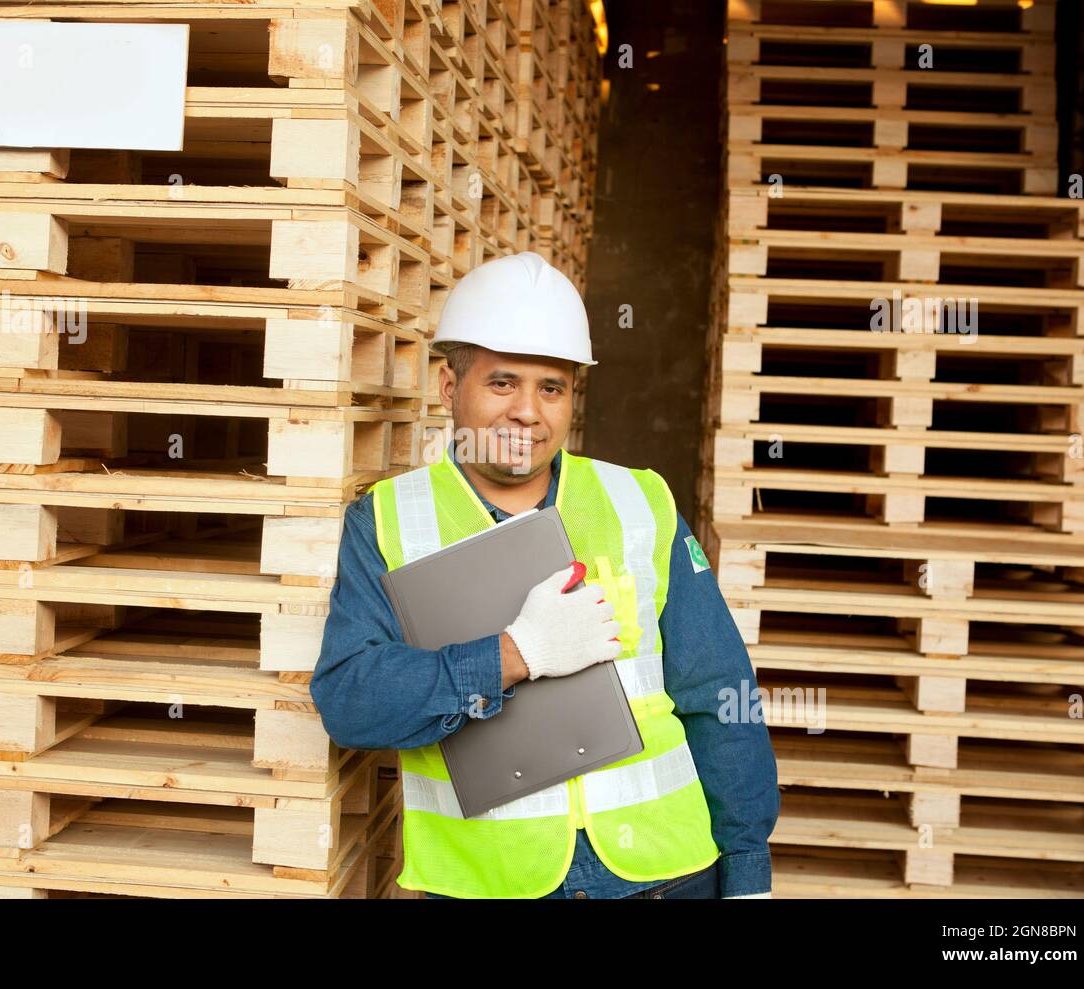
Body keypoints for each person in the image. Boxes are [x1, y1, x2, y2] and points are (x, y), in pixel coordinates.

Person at [311, 251, 779, 899]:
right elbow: (350, 701)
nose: (529, 411)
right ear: (451, 387)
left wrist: (749, 867)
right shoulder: (388, 521)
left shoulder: (638, 500)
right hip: (489, 883)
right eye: (503, 382)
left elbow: (718, 693)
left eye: (551, 387)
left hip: (664, 875)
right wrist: (516, 653)